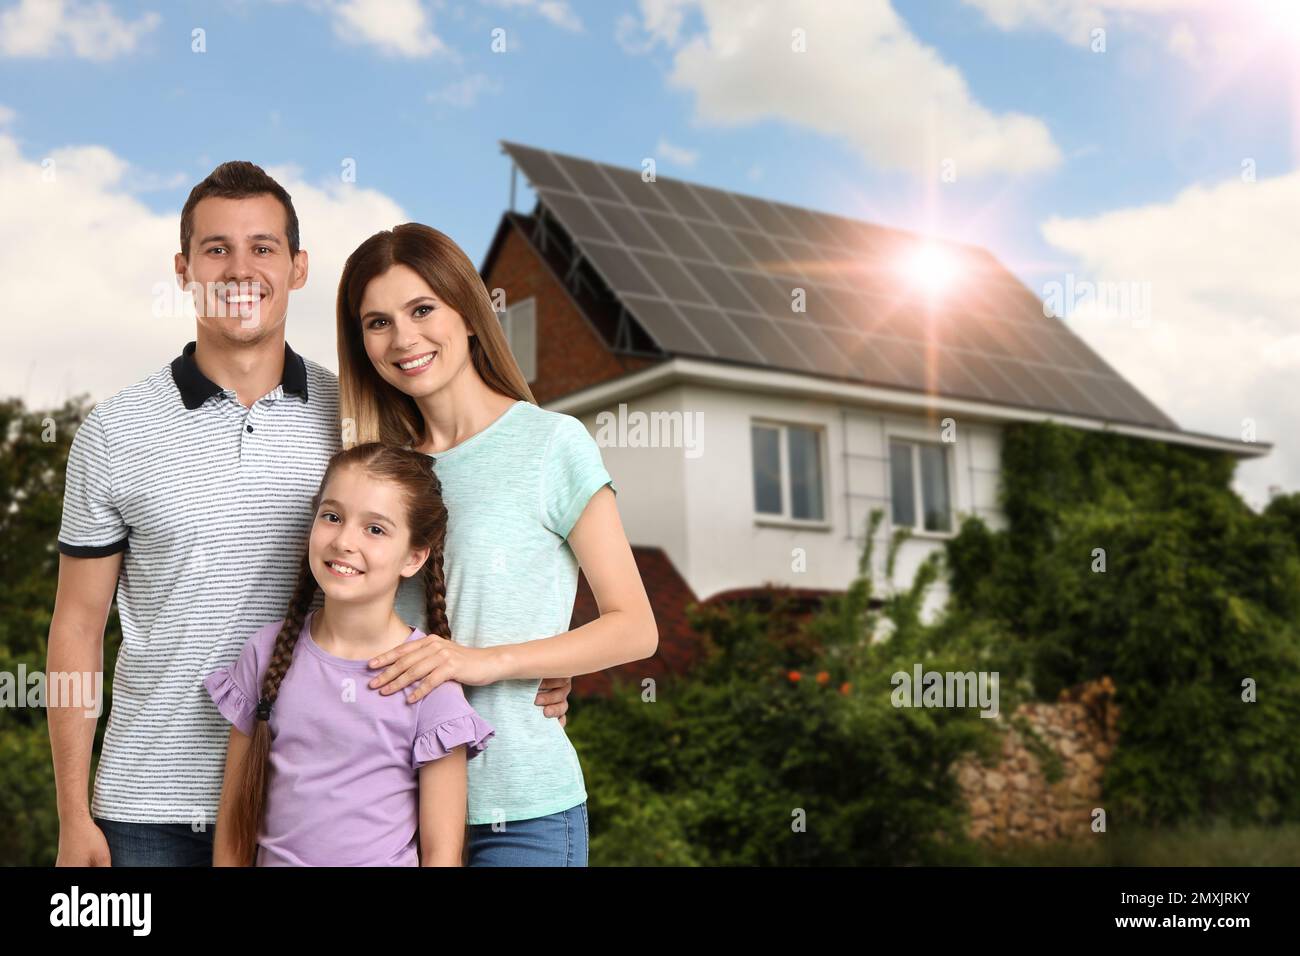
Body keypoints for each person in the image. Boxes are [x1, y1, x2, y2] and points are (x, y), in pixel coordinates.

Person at [48, 161, 568, 867]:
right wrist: (72, 812)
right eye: (215, 249)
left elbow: (448, 540)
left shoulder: (358, 421)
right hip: (145, 809)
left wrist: (528, 668)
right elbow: (76, 626)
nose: (240, 269)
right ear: (183, 268)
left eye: (262, 248)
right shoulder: (114, 433)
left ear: (297, 268)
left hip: (310, 816)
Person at [337, 222, 659, 866]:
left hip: (519, 812)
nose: (404, 339)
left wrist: (487, 662)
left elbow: (634, 628)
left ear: (470, 314)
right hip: (390, 809)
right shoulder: (380, 474)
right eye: (377, 322)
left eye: (422, 309)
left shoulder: (550, 444)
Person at [206, 442, 493, 866]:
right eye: (333, 516)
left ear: (413, 557)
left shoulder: (428, 680)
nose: (343, 541)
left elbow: (441, 856)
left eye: (374, 529)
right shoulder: (265, 653)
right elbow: (234, 826)